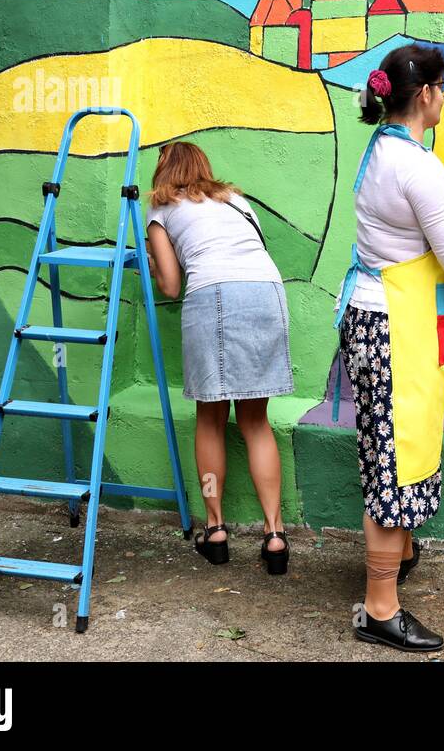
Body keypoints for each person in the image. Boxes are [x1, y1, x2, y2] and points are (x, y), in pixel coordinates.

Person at [334, 45, 444, 651]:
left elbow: (411, 231)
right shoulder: (420, 166)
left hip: (375, 318)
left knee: (393, 444)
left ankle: (398, 557)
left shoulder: (383, 149)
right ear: (428, 94)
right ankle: (380, 607)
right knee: (395, 460)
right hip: (395, 328)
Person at [145, 141, 293, 575]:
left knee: (210, 418)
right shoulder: (237, 201)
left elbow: (171, 286)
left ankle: (215, 529)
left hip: (215, 296)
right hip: (268, 294)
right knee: (255, 420)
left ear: (164, 171)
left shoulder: (161, 208)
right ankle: (275, 534)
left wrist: (153, 264)